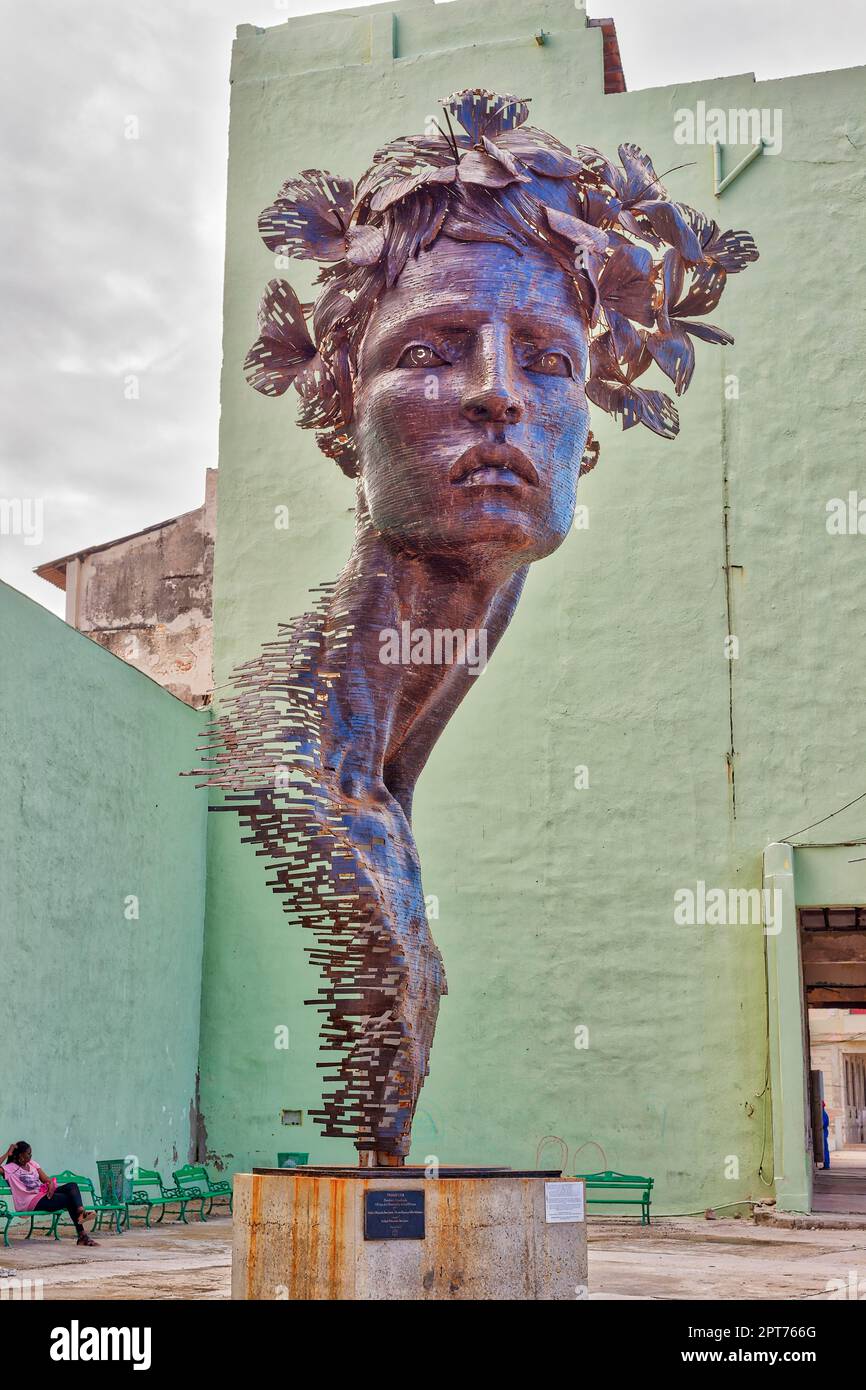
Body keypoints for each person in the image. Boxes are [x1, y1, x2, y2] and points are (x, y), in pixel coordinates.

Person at [199, 88, 758, 1166]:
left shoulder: (382, 767)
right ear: (341, 410)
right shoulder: (290, 758)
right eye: (432, 349)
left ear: (582, 420)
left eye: (548, 360)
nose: (498, 394)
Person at [1, 1141, 98, 1246]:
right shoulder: (10, 1169)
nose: (31, 1156)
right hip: (31, 1201)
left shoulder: (32, 1164)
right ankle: (82, 1235)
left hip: (43, 1193)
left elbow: (46, 1179)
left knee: (72, 1186)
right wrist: (8, 1153)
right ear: (20, 1155)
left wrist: (50, 1183)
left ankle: (81, 1212)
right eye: (28, 1153)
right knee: (68, 1199)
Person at [822, 1101, 831, 1169]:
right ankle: (826, 1164)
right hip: (823, 1133)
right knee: (825, 1149)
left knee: (824, 1149)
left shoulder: (823, 1114)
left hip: (823, 1133)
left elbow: (822, 1124)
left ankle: (826, 1165)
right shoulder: (824, 1114)